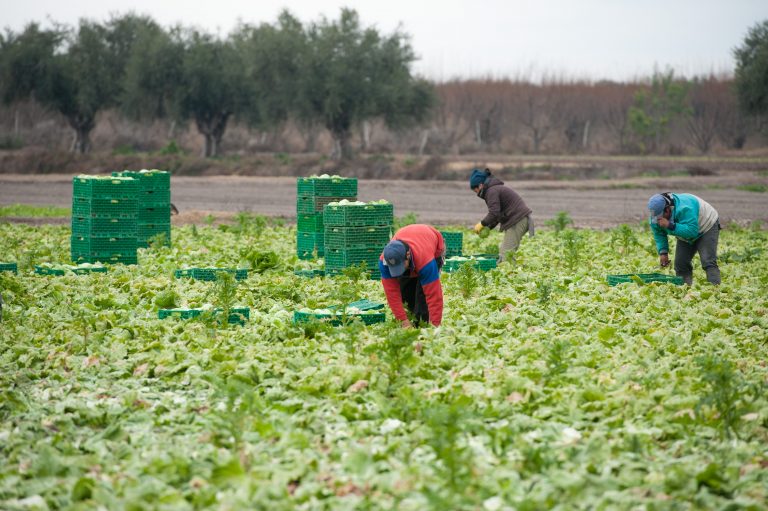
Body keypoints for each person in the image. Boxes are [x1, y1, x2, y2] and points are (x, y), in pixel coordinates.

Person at [648, 192, 721, 285]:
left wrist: (670, 225)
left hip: (706, 225)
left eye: (660, 216)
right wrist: (663, 252)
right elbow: (659, 234)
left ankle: (715, 290)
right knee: (680, 264)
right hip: (684, 230)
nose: (658, 219)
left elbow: (692, 231)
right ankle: (685, 289)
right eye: (655, 216)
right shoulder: (655, 217)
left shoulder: (685, 208)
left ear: (667, 209)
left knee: (708, 261)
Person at [379, 224, 445, 327]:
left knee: (423, 300)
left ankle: (421, 325)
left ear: (408, 255)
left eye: (399, 266)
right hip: (411, 244)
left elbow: (434, 296)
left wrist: (435, 327)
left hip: (432, 243)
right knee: (405, 295)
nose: (397, 271)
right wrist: (403, 321)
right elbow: (392, 293)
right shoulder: (385, 261)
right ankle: (412, 322)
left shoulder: (426, 261)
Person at [470, 168, 533, 262]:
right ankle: (513, 273)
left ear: (480, 185)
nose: (477, 194)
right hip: (518, 220)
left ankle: (513, 274)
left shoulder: (491, 191)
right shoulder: (493, 190)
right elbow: (497, 215)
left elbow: (494, 213)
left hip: (518, 220)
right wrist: (488, 227)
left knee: (506, 255)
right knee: (505, 254)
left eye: (476, 190)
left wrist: (482, 224)